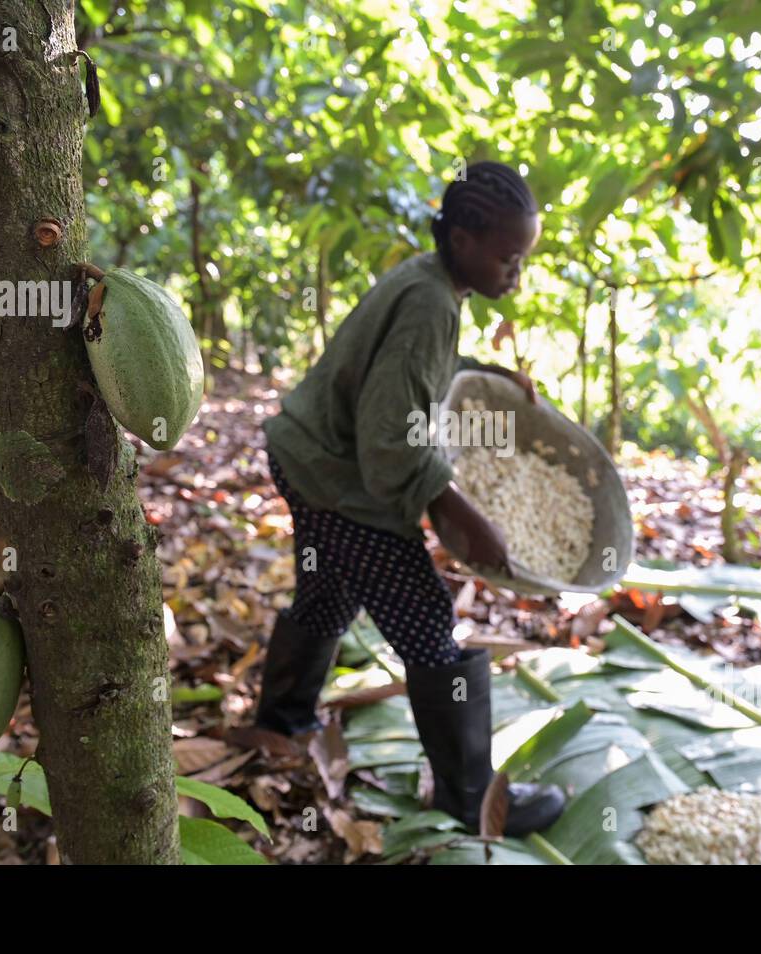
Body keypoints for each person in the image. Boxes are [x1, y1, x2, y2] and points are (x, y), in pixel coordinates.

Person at [254, 160, 567, 837]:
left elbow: (421, 371)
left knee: (328, 593)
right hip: (339, 481)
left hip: (303, 454)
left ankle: (280, 723)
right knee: (431, 631)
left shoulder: (431, 287)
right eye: (510, 258)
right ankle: (473, 796)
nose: (516, 273)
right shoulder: (429, 300)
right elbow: (389, 439)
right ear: (464, 240)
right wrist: (453, 509)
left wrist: (486, 373)